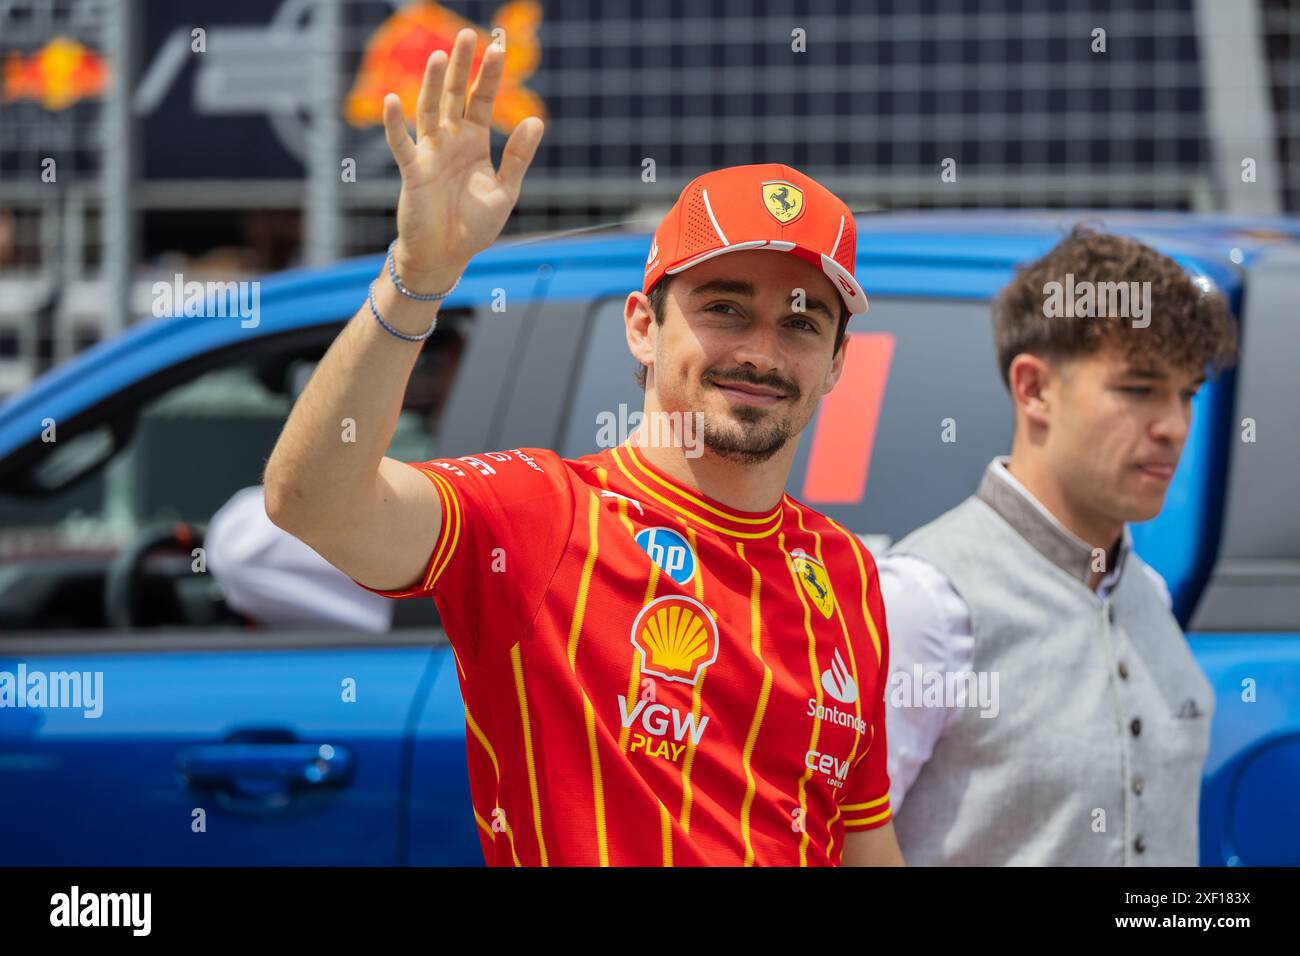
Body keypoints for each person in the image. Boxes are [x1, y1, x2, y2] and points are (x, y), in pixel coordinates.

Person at [262, 29, 902, 867]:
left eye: (802, 322)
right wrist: (418, 275)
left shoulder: (845, 572)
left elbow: (861, 843)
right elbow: (309, 500)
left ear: (836, 364)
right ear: (642, 327)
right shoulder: (542, 514)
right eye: (725, 308)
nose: (763, 352)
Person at [877, 226, 1238, 865]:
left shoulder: (1145, 592)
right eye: (1139, 389)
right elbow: (830, 844)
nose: (1174, 427)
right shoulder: (925, 601)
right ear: (1035, 389)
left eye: (1187, 394)